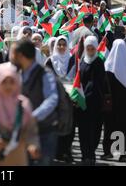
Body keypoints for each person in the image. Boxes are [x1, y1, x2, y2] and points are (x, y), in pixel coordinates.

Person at [9, 39, 59, 166]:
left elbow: (52, 99)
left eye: (13, 53)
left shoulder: (45, 74)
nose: (10, 56)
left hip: (44, 132)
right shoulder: (17, 73)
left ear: (21, 55)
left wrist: (32, 117)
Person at [102, 39, 126, 162]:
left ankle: (108, 152)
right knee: (123, 128)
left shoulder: (109, 65)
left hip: (111, 103)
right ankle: (122, 154)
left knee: (110, 127)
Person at [45, 35, 76, 163]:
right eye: (59, 45)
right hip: (55, 99)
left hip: (69, 99)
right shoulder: (50, 61)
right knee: (55, 126)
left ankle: (66, 151)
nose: (62, 47)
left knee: (70, 126)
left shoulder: (73, 60)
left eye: (64, 45)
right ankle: (56, 152)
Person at [76, 36, 105, 165]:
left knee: (95, 130)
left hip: (95, 103)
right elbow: (79, 80)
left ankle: (91, 153)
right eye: (88, 48)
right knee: (83, 130)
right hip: (83, 103)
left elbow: (98, 82)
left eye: (92, 48)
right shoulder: (82, 62)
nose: (90, 50)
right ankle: (85, 154)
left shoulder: (99, 62)